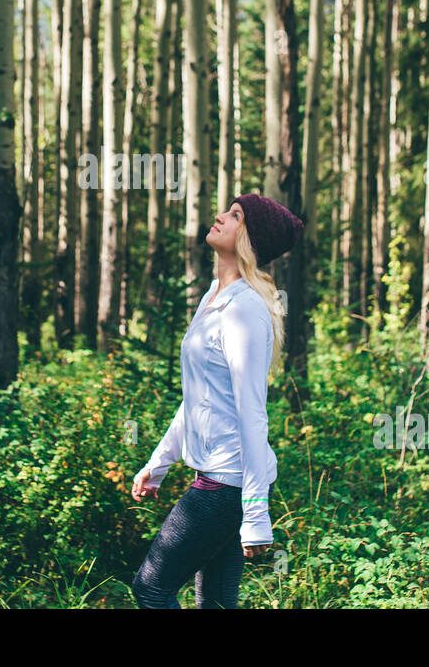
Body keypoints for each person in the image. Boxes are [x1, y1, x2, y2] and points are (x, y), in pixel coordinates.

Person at [130, 193, 304, 608]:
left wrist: (257, 514)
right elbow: (197, 400)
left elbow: (252, 414)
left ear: (250, 238)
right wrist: (158, 463)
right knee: (217, 603)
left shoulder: (245, 310)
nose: (220, 216)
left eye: (235, 214)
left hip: (226, 486)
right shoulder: (213, 298)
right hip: (221, 480)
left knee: (151, 588)